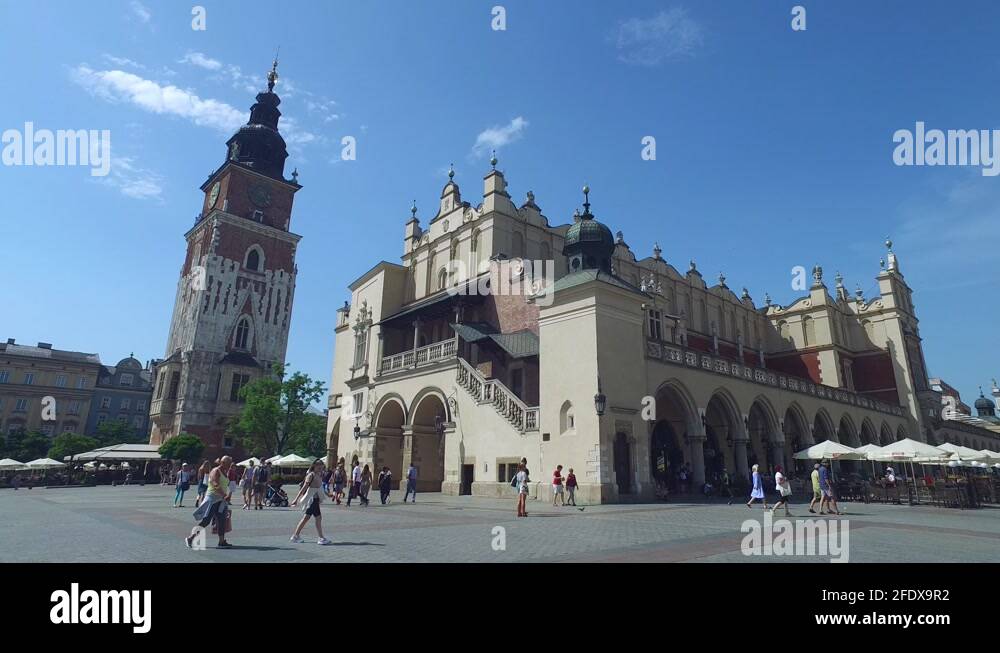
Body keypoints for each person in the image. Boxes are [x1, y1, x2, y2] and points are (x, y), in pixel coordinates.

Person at [185, 456, 234, 549]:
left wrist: (227, 494)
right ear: (223, 463)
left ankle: (221, 541)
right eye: (228, 464)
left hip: (221, 500)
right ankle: (191, 538)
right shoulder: (216, 471)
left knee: (222, 520)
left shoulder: (225, 472)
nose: (229, 466)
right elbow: (215, 483)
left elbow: (225, 484)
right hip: (212, 499)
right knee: (206, 521)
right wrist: (224, 495)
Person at [289, 460, 333, 545]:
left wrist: (327, 494)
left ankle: (296, 536)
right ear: (314, 466)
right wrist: (296, 499)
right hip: (312, 500)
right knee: (315, 518)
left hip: (315, 500)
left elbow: (320, 487)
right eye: (318, 465)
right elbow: (304, 488)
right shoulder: (311, 475)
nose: (320, 466)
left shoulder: (319, 475)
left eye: (321, 464)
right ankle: (320, 538)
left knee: (309, 518)